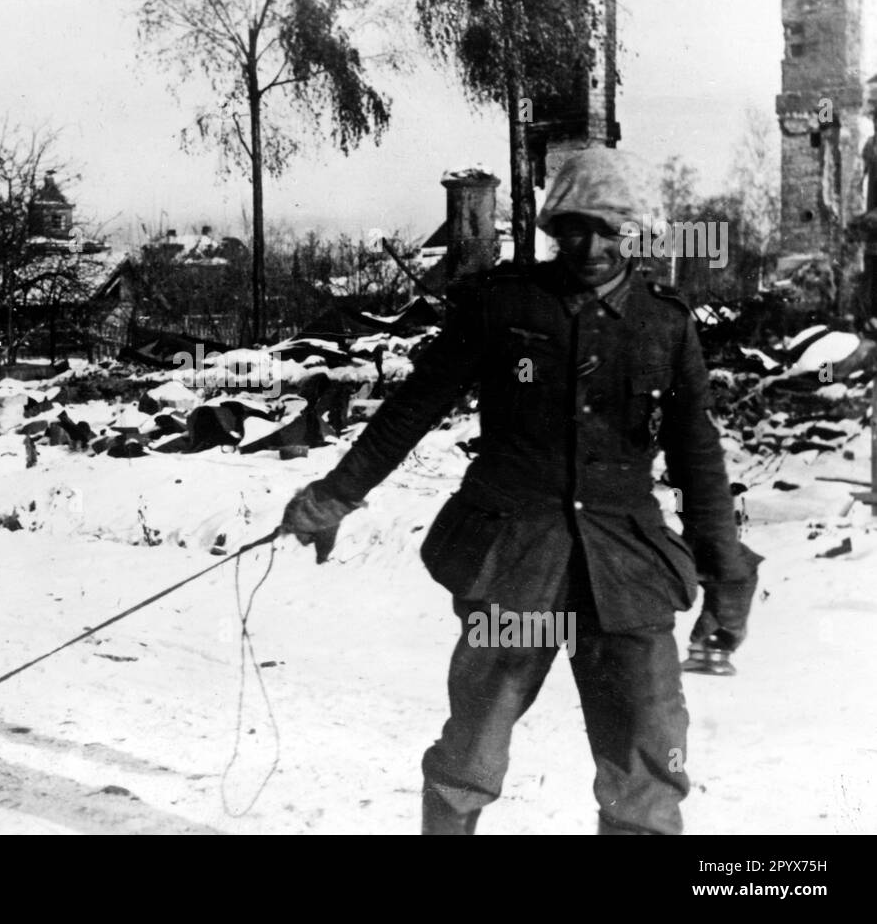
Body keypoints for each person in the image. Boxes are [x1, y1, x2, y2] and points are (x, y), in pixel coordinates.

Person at [281, 148, 759, 835]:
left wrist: (726, 575)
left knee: (649, 761)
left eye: (608, 229)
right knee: (473, 749)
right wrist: (334, 495)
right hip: (514, 566)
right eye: (573, 228)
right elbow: (411, 408)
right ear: (554, 228)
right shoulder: (505, 307)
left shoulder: (665, 324)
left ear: (633, 229)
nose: (591, 246)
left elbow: (699, 460)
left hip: (625, 574)